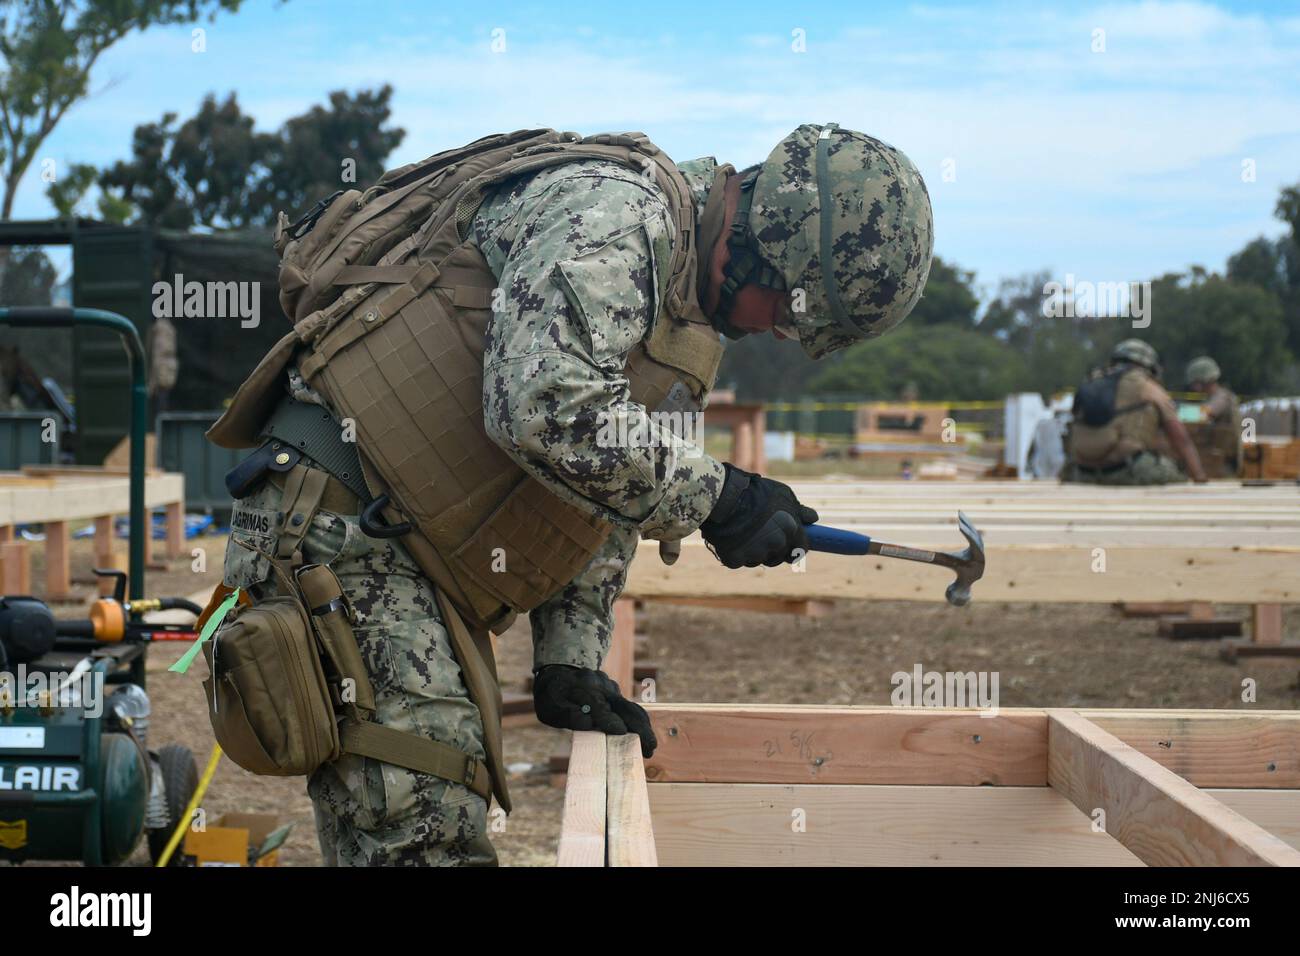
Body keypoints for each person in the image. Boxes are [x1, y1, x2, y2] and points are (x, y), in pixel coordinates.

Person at [208, 124, 934, 865]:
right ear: (761, 245)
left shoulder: (684, 313)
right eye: (786, 311)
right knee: (424, 835)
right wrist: (724, 498)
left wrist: (570, 655)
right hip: (340, 522)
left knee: (432, 818)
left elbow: (605, 490)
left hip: (404, 537)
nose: (779, 334)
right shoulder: (615, 217)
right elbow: (548, 409)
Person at [1064, 338, 1207, 484]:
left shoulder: (1091, 382)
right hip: (1127, 470)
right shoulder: (1148, 387)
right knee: (1176, 476)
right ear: (1147, 365)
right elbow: (1181, 439)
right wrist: (1199, 477)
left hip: (1081, 473)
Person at [1186, 356, 1242, 473]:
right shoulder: (1213, 397)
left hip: (1225, 463)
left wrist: (1178, 412)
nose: (1193, 387)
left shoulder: (1222, 396)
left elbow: (1207, 413)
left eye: (1195, 382)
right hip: (1218, 459)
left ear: (1203, 380)